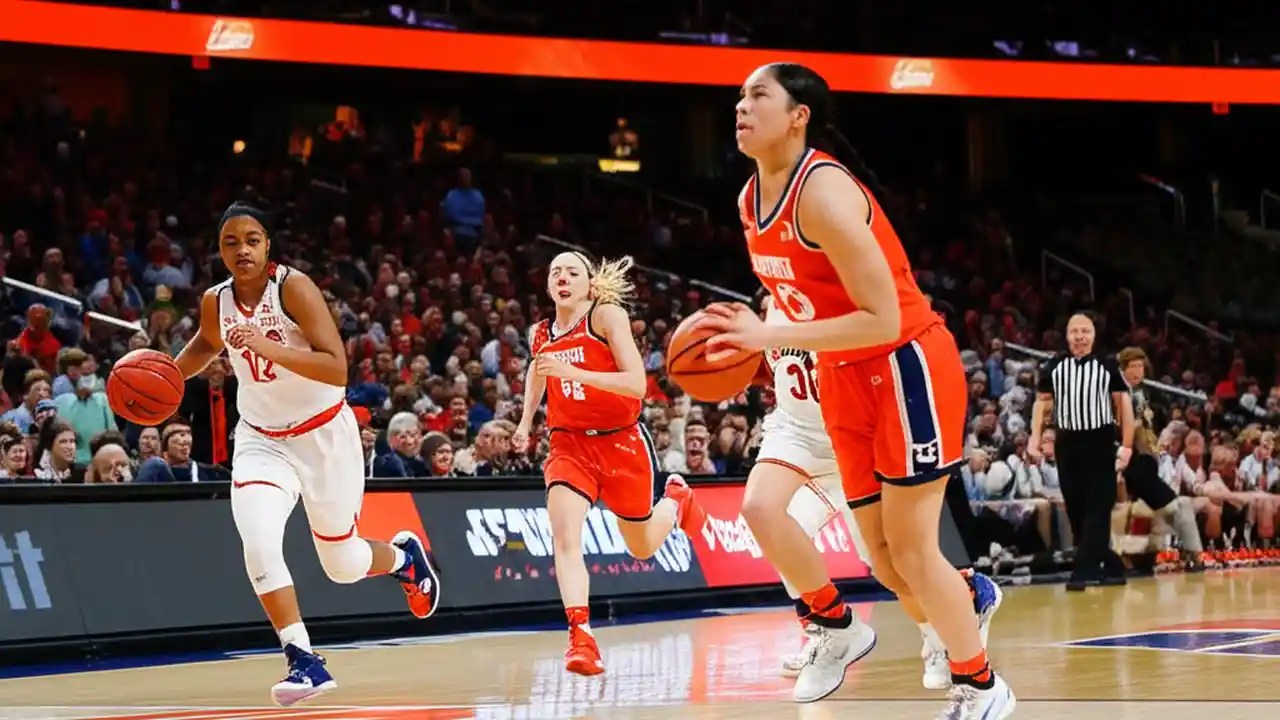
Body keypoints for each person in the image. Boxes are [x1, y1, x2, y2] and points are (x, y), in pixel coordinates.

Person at [702, 63, 1013, 718]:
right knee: (881, 559)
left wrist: (768, 337)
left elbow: (886, 317)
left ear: (799, 116)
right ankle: (943, 607)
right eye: (738, 96)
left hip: (905, 366)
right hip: (840, 375)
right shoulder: (747, 199)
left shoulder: (824, 192)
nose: (741, 105)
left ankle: (981, 686)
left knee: (912, 550)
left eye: (758, 95)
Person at [172, 202, 442, 707]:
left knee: (341, 564)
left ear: (268, 244)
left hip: (323, 436)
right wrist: (164, 376)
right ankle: (303, 658)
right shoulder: (216, 300)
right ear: (220, 250)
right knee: (257, 538)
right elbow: (205, 345)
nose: (242, 250)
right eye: (231, 242)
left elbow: (336, 368)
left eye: (252, 239)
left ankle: (406, 560)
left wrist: (264, 346)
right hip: (260, 439)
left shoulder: (292, 288)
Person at [754, 298, 1002, 701]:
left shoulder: (839, 310)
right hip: (801, 439)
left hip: (850, 442)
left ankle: (938, 633)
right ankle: (828, 631)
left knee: (887, 564)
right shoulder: (772, 325)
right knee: (777, 525)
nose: (771, 300)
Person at [513, 251, 700, 677]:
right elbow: (538, 372)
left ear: (589, 284)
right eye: (555, 271)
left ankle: (675, 501)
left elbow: (637, 384)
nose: (563, 277)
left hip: (622, 444)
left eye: (572, 271)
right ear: (547, 285)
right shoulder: (540, 332)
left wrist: (574, 373)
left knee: (642, 546)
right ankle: (581, 636)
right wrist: (526, 421)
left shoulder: (606, 317)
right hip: (568, 445)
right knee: (564, 535)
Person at [1028, 314, 1133, 591]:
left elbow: (1123, 405)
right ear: (1067, 336)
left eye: (1085, 331)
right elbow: (1041, 405)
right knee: (1076, 510)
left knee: (1098, 509)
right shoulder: (1055, 365)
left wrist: (1127, 445)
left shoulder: (1107, 365)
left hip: (1100, 443)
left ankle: (1082, 573)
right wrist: (1034, 439)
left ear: (1094, 335)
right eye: (1074, 331)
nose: (1079, 336)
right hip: (1068, 444)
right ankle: (1112, 565)